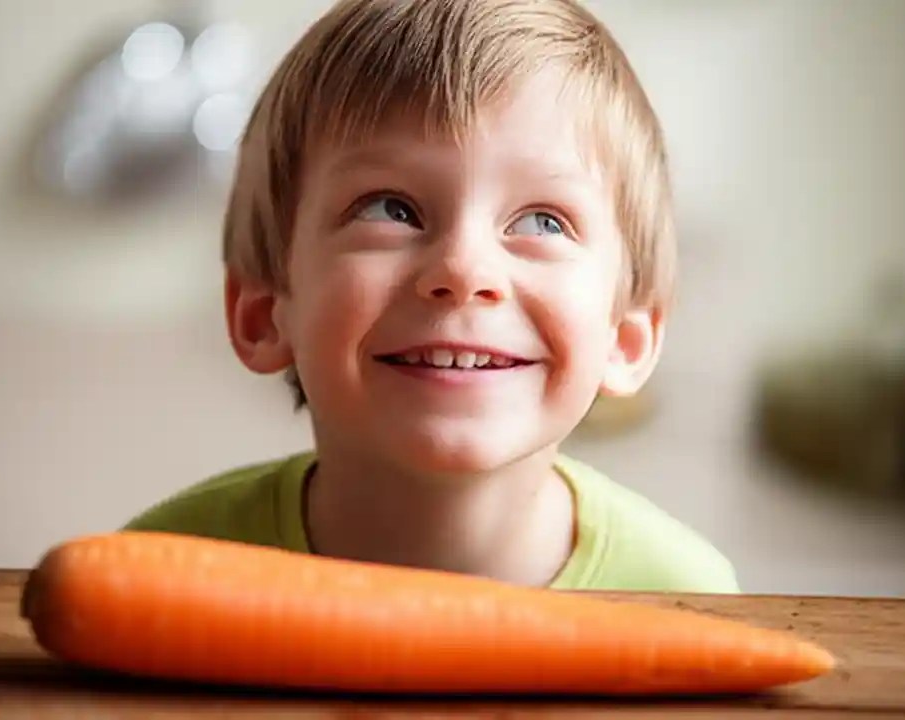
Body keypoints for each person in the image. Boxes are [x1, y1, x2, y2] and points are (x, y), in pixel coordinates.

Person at [123, 0, 740, 593]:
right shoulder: (155, 576)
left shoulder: (690, 601)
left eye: (542, 222)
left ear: (626, 340)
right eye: (391, 209)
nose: (464, 269)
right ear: (262, 315)